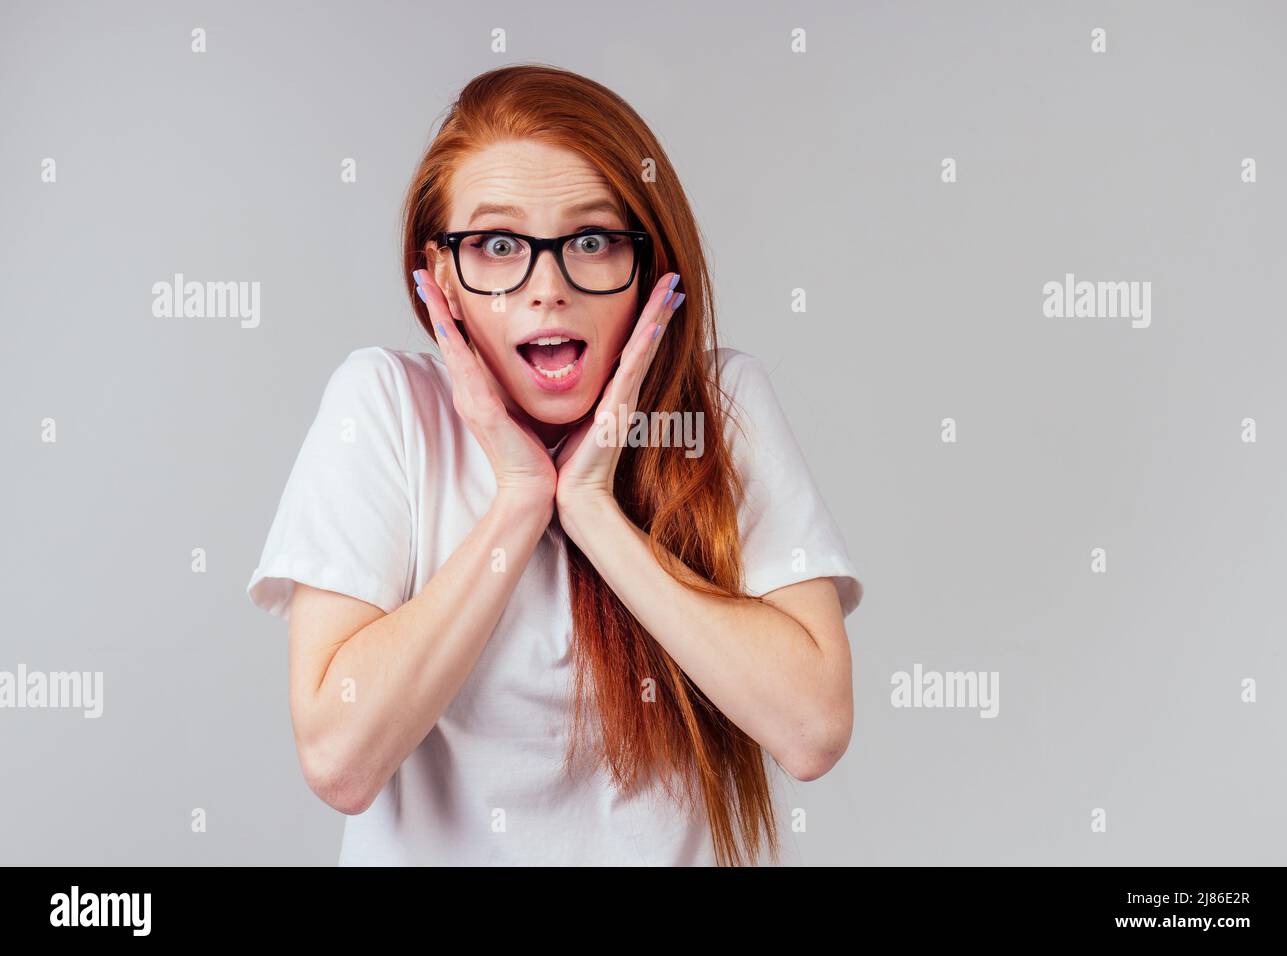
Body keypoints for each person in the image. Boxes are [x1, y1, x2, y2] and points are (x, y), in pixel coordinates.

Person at [246, 64, 863, 866]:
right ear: (441, 280)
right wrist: (518, 502)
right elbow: (340, 760)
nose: (547, 288)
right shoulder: (386, 408)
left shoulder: (718, 409)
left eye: (594, 240)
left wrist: (597, 514)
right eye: (498, 246)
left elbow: (812, 729)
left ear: (647, 267)